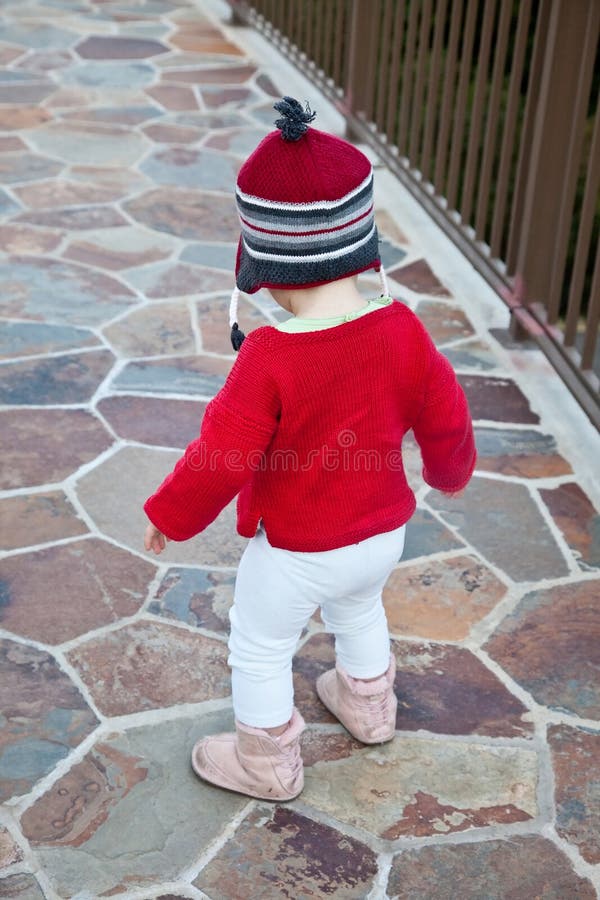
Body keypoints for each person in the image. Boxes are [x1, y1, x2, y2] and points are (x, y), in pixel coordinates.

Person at [143, 97, 476, 802]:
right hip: (382, 534)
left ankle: (265, 762)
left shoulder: (268, 356)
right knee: (360, 609)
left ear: (266, 267)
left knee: (259, 643)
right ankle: (369, 707)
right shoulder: (403, 328)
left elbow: (221, 456)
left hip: (296, 552)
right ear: (362, 245)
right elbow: (446, 411)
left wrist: (171, 514)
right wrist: (450, 472)